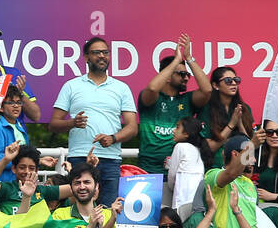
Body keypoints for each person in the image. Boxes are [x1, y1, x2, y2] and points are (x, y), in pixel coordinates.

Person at [50, 37, 138, 205]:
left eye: (105, 52)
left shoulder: (122, 87)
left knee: (108, 211)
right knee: (78, 212)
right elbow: (54, 124)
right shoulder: (71, 86)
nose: (102, 56)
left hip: (110, 160)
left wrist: (113, 138)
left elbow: (132, 127)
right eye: (96, 52)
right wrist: (72, 123)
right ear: (86, 57)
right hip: (79, 158)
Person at [136, 35, 210, 174]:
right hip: (148, 169)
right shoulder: (151, 97)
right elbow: (152, 88)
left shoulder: (187, 100)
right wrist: (176, 60)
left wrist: (189, 58)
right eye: (182, 74)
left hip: (179, 169)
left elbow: (207, 90)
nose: (187, 78)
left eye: (188, 75)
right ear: (168, 76)